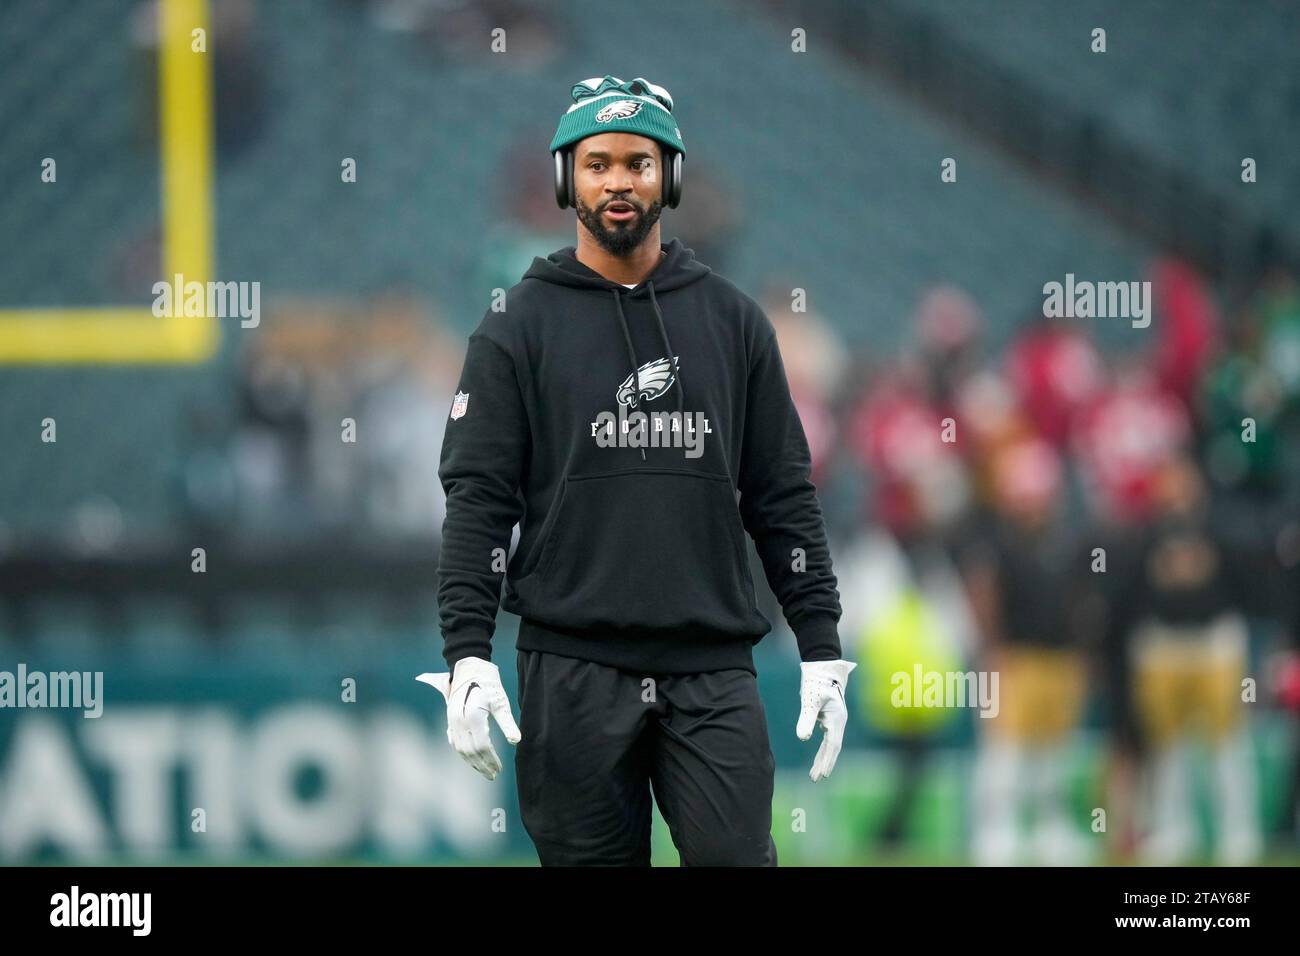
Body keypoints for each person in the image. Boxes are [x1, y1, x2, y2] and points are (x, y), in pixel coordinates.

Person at [418, 75, 856, 866]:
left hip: (712, 669)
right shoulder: (516, 326)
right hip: (572, 671)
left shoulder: (733, 321)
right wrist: (466, 651)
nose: (618, 181)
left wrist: (819, 639)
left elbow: (783, 494)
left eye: (638, 162)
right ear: (565, 180)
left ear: (671, 178)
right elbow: (479, 501)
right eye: (596, 164)